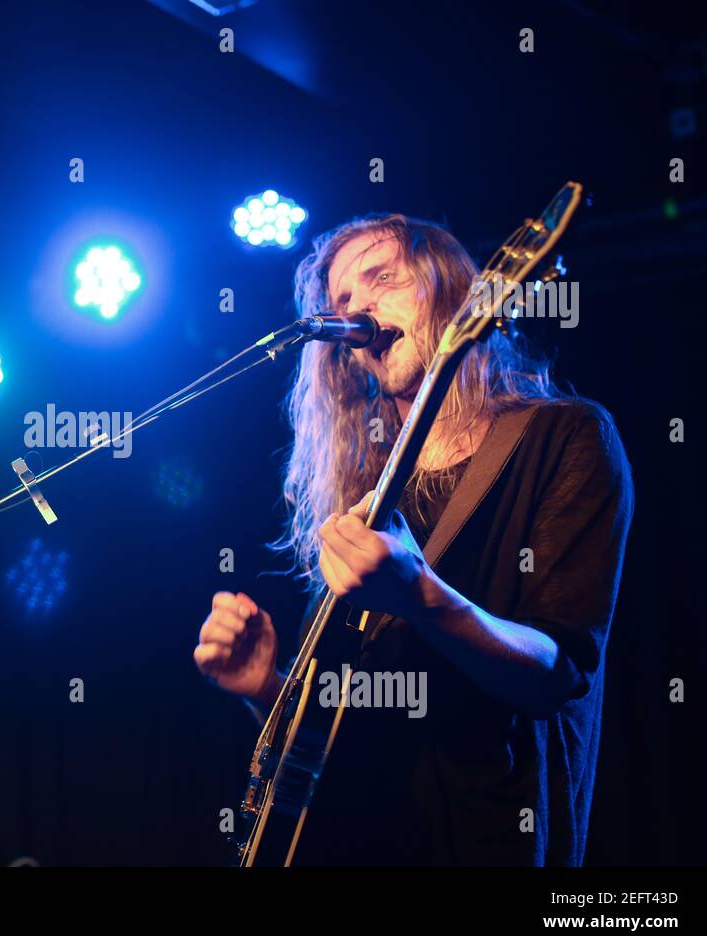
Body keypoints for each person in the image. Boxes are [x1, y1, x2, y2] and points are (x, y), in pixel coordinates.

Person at [194, 213, 634, 865]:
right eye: (342, 302)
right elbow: (352, 732)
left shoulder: (564, 437)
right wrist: (268, 686)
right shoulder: (369, 486)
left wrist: (421, 594)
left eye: (382, 279)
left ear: (450, 289)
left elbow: (559, 671)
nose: (357, 310)